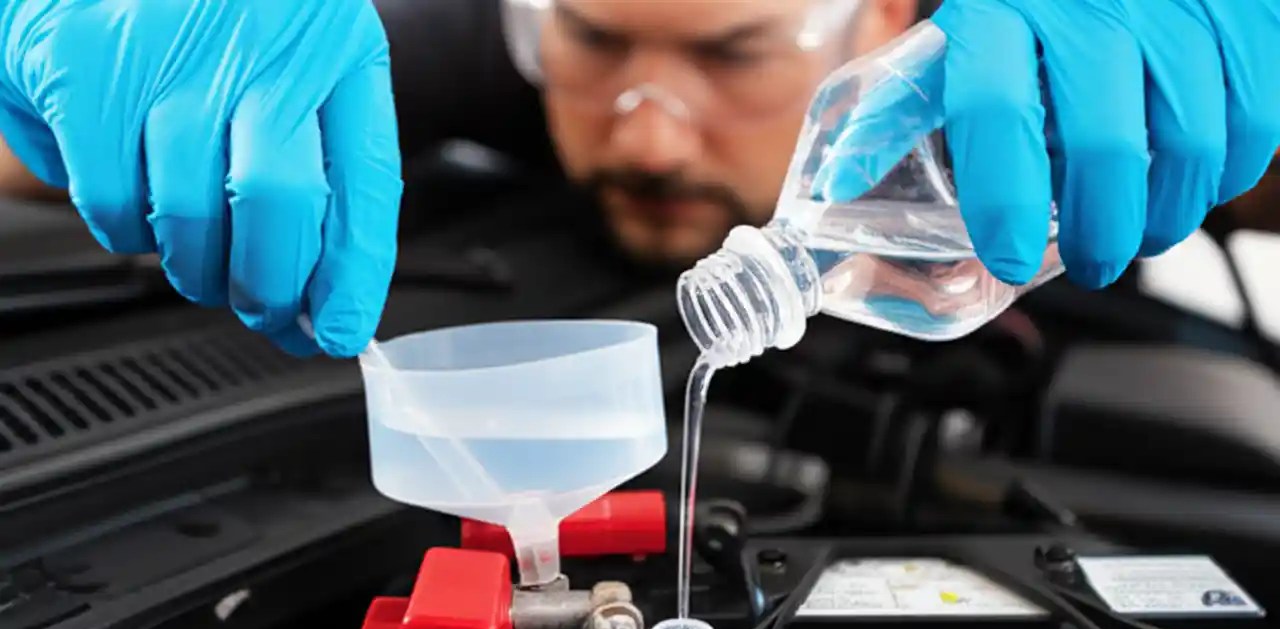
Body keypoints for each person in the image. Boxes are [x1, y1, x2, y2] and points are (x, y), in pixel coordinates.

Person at [0, 0, 1274, 358]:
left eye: (731, 56)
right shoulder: (433, 45)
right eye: (594, 46)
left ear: (883, 22)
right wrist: (40, 28)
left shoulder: (1050, 76)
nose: (648, 135)